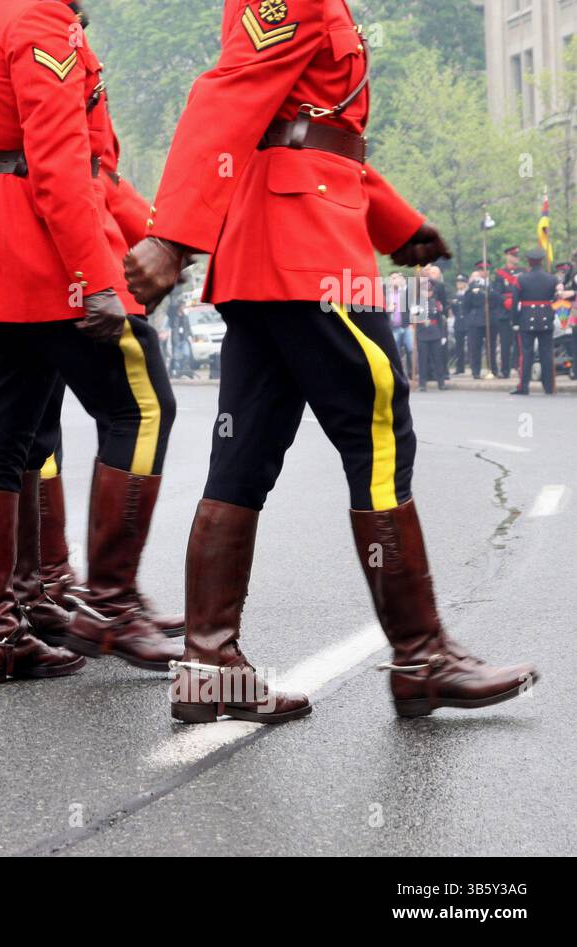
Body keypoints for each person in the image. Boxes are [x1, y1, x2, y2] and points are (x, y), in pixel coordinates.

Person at [125, 0, 536, 723]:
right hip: (307, 252)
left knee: (242, 459)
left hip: (267, 255)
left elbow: (318, 132)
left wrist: (398, 225)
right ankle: (421, 657)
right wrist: (173, 237)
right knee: (379, 432)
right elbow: (225, 101)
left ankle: (210, 667)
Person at [0, 0, 179, 686]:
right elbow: (58, 163)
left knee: (1, 438)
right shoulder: (40, 21)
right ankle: (109, 602)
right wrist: (95, 276)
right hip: (47, 253)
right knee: (142, 408)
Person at [512, 246, 559, 396]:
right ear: (542, 261)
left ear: (529, 262)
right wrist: (552, 314)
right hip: (546, 318)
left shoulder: (521, 279)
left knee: (526, 354)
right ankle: (549, 386)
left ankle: (523, 386)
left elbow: (515, 302)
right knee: (547, 353)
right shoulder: (552, 278)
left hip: (526, 319)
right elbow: (557, 299)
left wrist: (515, 321)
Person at [491, 245, 522, 379]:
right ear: (507, 256)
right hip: (505, 312)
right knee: (505, 343)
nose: (515, 258)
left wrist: (516, 300)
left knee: (522, 342)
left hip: (520, 310)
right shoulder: (500, 273)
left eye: (516, 256)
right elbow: (496, 292)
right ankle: (505, 370)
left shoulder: (523, 271)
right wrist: (506, 300)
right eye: (512, 255)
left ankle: (521, 367)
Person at [414, 265, 447, 391]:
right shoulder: (418, 302)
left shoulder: (435, 303)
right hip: (422, 331)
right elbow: (414, 316)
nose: (428, 292)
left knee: (438, 358)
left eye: (430, 290)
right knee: (423, 359)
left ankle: (441, 382)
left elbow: (440, 319)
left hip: (435, 331)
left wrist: (442, 334)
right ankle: (422, 383)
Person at [462, 265, 492, 379]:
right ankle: (476, 371)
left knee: (491, 346)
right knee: (475, 347)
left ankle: (492, 369)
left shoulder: (489, 285)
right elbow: (466, 307)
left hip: (488, 319)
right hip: (475, 321)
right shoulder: (470, 290)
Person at [385, 272, 412, 377]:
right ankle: (397, 374)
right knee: (395, 351)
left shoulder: (406, 293)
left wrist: (411, 323)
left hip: (406, 326)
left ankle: (411, 373)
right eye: (392, 278)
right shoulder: (386, 295)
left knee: (410, 350)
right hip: (393, 327)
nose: (394, 280)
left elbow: (412, 309)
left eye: (396, 278)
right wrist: (388, 309)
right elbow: (380, 311)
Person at [450, 273, 468, 375]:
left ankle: (473, 367)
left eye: (461, 282)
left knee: (471, 346)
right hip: (458, 323)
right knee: (459, 347)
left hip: (468, 321)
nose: (459, 284)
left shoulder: (468, 293)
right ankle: (460, 368)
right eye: (458, 282)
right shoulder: (455, 295)